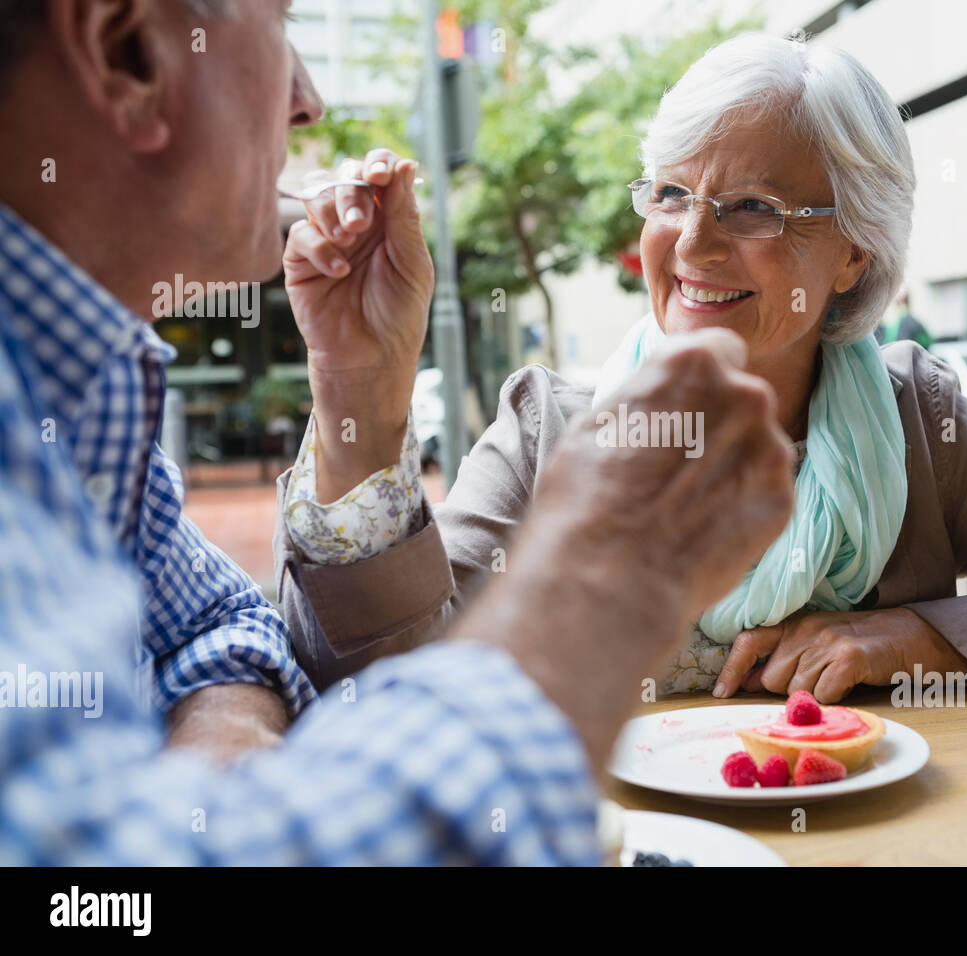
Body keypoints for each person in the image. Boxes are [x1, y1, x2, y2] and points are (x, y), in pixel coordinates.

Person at [0, 0, 794, 863]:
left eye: (756, 206)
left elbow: (220, 626)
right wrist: (598, 591)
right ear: (128, 54)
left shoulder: (88, 387)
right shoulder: (553, 419)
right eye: (283, 26)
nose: (307, 101)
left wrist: (214, 788)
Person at [277, 33, 967, 703]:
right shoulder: (550, 427)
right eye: (671, 193)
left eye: (753, 208)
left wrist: (916, 638)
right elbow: (395, 689)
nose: (692, 244)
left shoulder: (921, 420)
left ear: (854, 255)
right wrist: (361, 387)